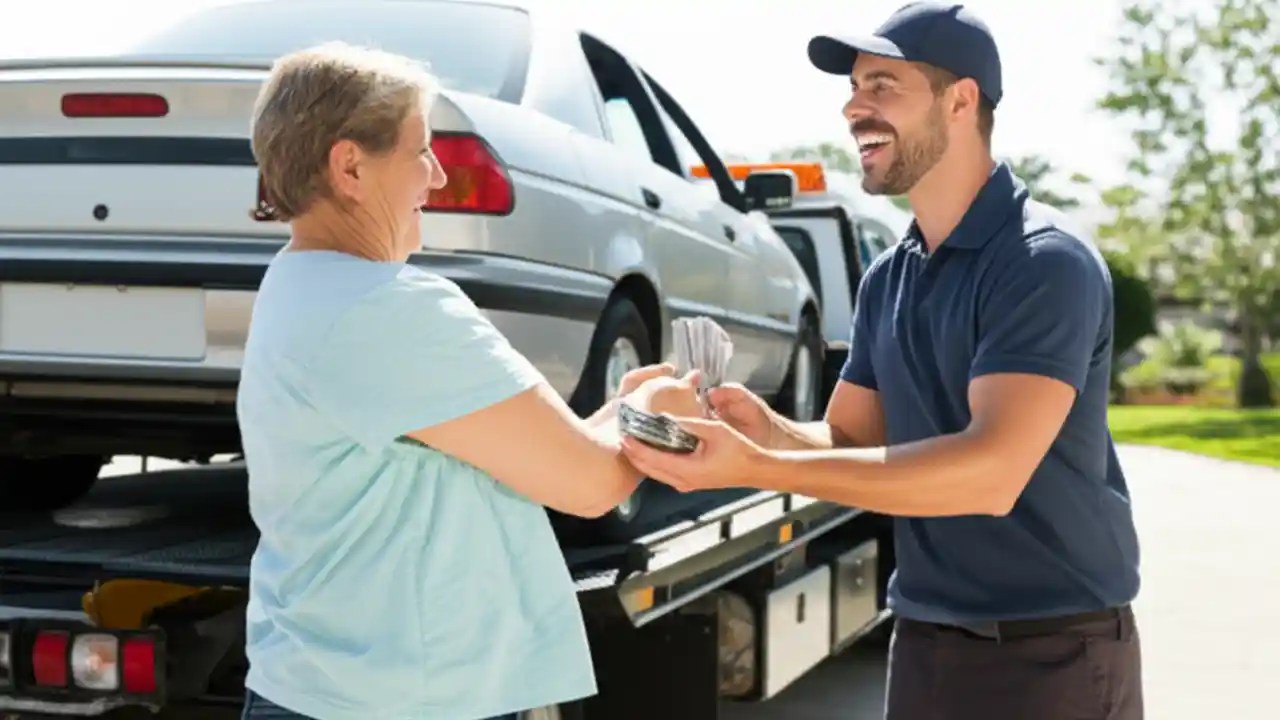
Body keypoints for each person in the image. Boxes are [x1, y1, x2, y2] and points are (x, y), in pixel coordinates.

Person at [619, 3, 1144, 719]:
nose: (853, 108)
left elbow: (991, 473)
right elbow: (853, 438)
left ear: (960, 100)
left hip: (1049, 655)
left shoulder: (1042, 262)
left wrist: (757, 468)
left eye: (882, 86)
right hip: (926, 643)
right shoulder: (889, 276)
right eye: (853, 88)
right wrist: (765, 429)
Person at [236, 42, 701, 720]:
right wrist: (659, 410)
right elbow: (587, 483)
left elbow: (533, 447)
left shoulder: (297, 287)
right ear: (350, 166)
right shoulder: (390, 308)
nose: (436, 177)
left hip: (325, 689)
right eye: (420, 151)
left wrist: (622, 408)